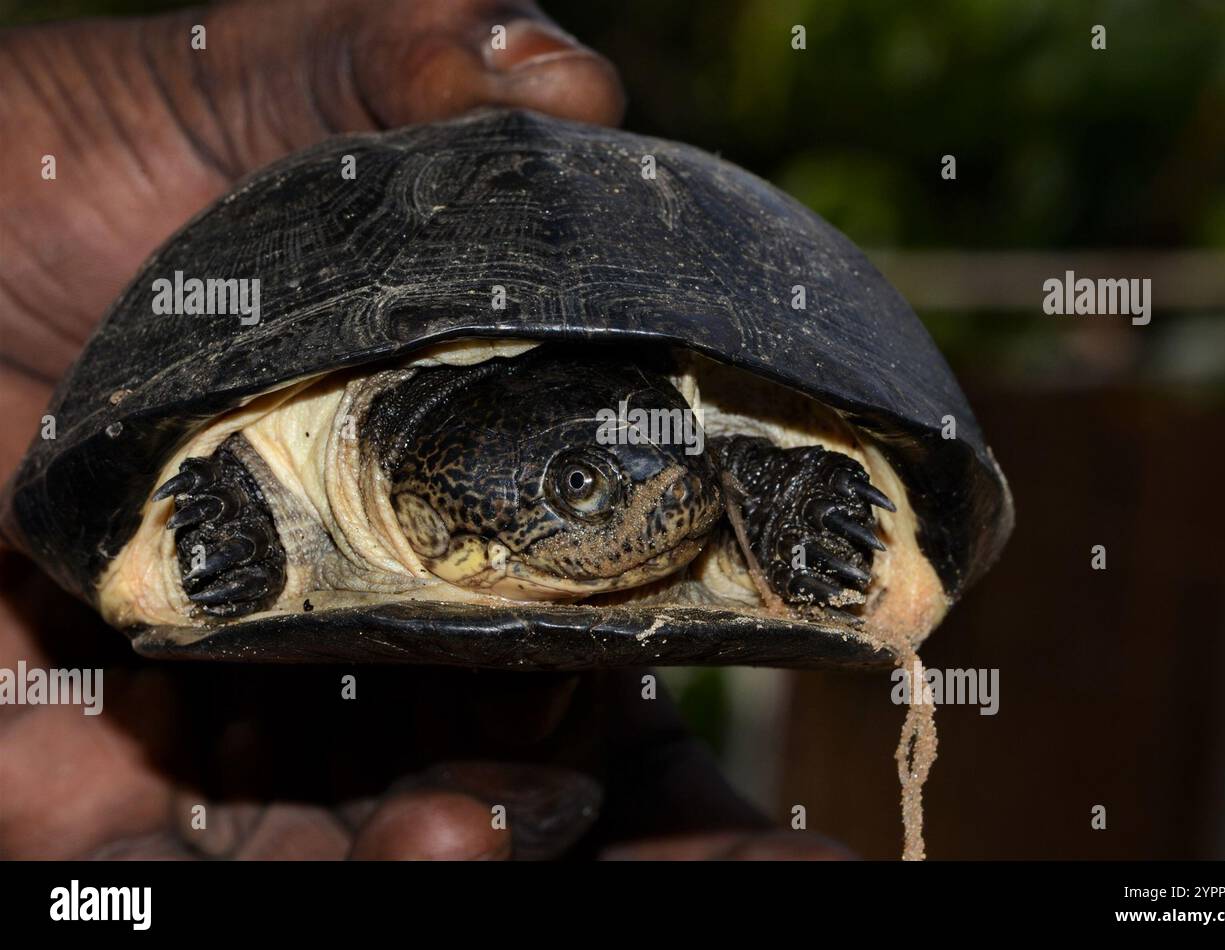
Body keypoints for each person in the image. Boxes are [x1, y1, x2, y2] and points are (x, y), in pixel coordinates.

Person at [0, 0, 853, 860]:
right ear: (436, 507)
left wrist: (797, 498)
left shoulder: (701, 425)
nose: (672, 486)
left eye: (677, 441)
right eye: (579, 483)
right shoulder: (275, 441)